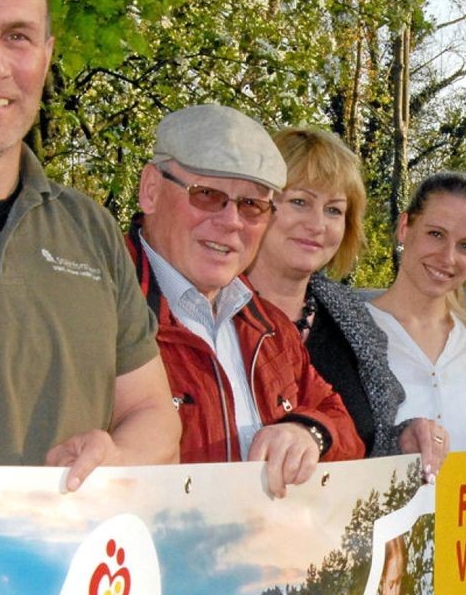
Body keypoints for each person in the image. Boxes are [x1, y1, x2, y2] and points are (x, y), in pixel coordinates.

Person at [0, 0, 179, 595]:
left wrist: (116, 452)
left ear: (47, 52)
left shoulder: (88, 228)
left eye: (17, 36)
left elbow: (154, 415)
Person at [127, 104, 365, 499]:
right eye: (207, 195)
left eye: (252, 206)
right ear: (151, 189)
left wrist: (306, 431)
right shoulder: (97, 310)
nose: (232, 221)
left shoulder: (268, 327)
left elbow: (342, 425)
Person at [246, 127, 449, 473]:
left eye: (334, 210)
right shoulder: (209, 309)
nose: (318, 225)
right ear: (258, 204)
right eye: (300, 202)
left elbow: (368, 442)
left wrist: (403, 441)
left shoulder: (353, 321)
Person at [367, 172, 466, 455]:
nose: (448, 258)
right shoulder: (353, 332)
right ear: (405, 227)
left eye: (465, 246)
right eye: (436, 234)